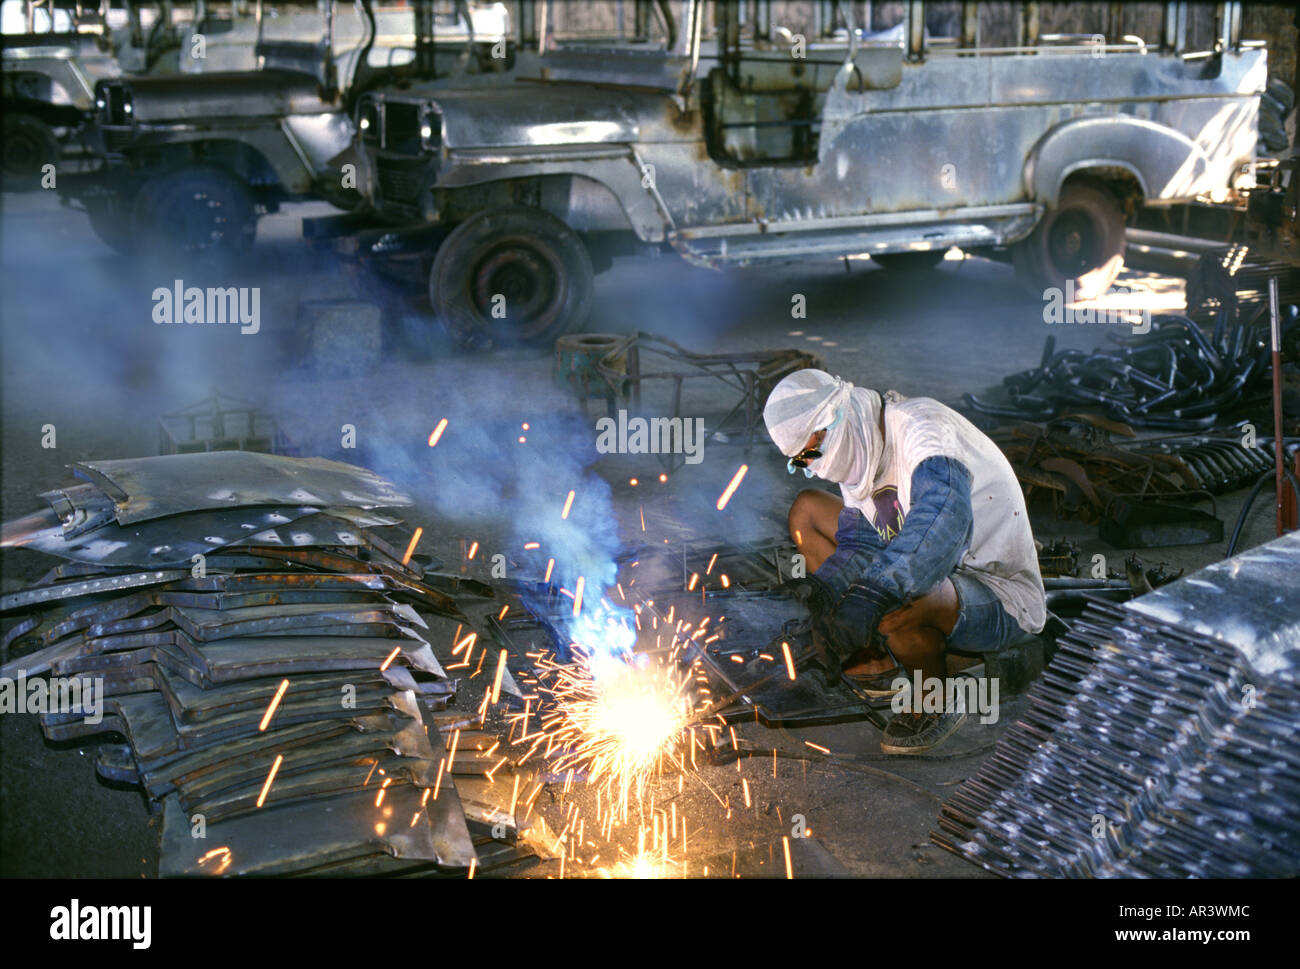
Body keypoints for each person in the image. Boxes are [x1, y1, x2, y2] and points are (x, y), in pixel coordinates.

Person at [763, 368, 1046, 753]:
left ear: (836, 418)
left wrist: (872, 592)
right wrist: (823, 595)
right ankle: (878, 660)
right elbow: (861, 543)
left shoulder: (922, 431)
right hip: (934, 575)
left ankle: (936, 698)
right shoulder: (860, 447)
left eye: (811, 452)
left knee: (894, 599)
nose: (812, 466)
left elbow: (944, 517)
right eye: (800, 461)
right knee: (808, 511)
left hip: (1000, 593)